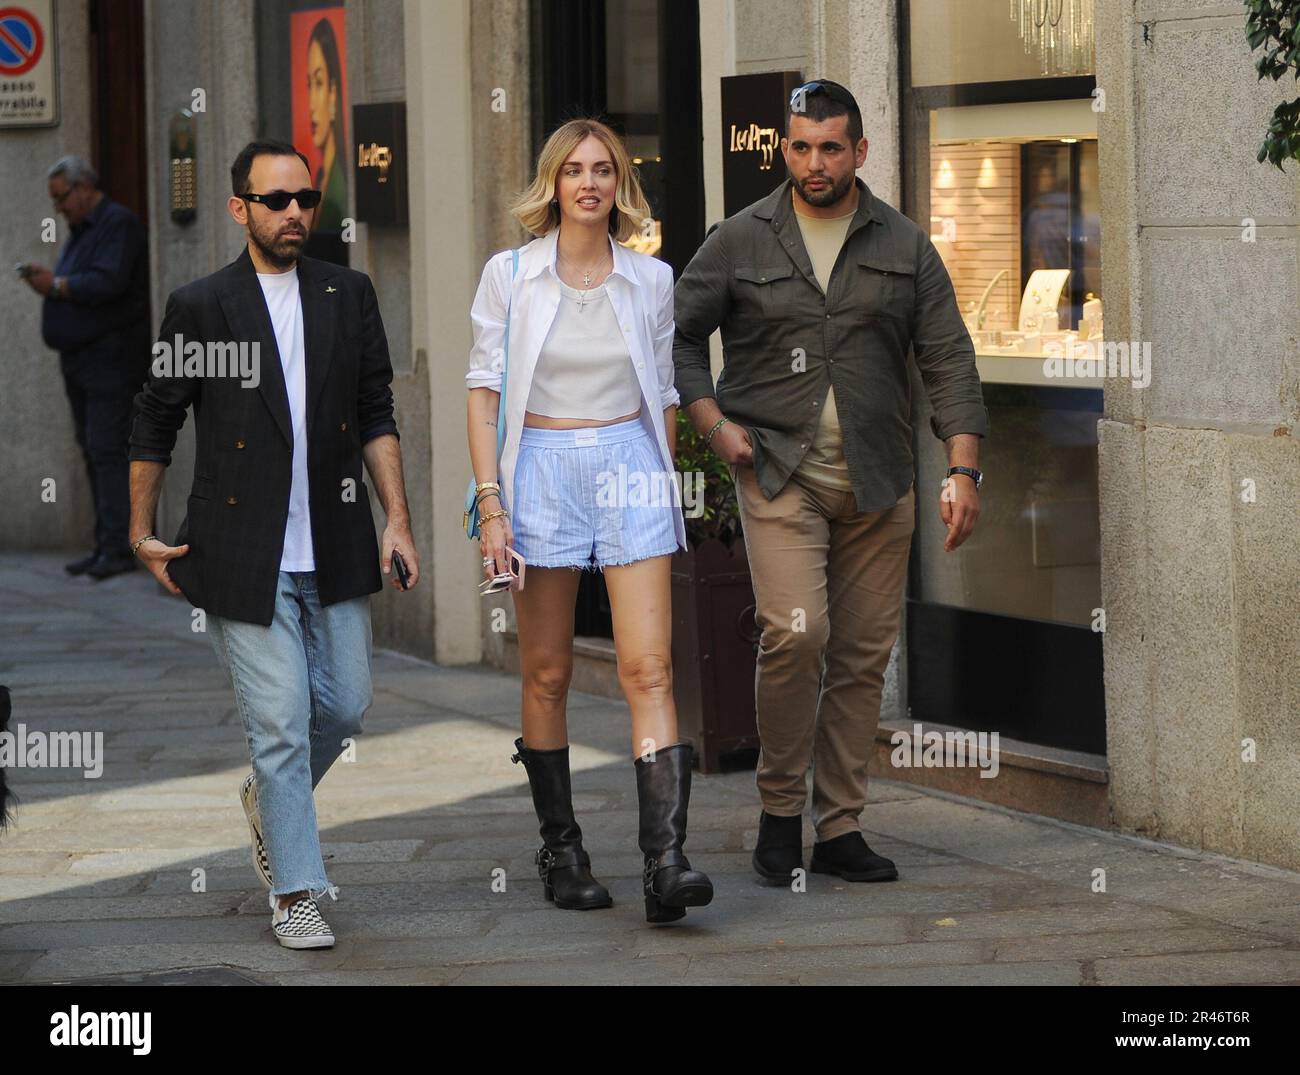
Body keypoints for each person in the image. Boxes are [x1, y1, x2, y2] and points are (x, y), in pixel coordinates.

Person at [673, 80, 988, 886]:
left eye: (832, 147)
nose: (816, 163)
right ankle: (780, 811)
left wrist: (962, 467)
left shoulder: (904, 243)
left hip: (880, 481)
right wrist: (713, 424)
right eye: (802, 146)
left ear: (860, 152)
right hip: (779, 473)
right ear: (785, 148)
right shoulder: (742, 239)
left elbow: (949, 356)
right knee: (797, 633)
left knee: (860, 656)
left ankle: (840, 824)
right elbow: (676, 336)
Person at [128, 140, 420, 949]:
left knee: (348, 704)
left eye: (305, 199)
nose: (296, 213)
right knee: (285, 724)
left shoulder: (346, 292)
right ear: (240, 210)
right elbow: (156, 415)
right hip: (237, 547)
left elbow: (375, 411)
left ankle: (268, 800)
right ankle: (295, 889)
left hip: (332, 540)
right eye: (277, 200)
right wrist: (140, 531)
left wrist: (396, 517)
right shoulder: (202, 305)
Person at [466, 118, 713, 924]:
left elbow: (664, 395)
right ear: (553, 183)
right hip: (539, 465)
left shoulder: (650, 279)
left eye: (604, 169)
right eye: (573, 170)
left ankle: (665, 862)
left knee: (651, 669)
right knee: (547, 671)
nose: (589, 183)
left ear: (619, 183)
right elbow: (483, 392)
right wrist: (491, 502)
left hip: (631, 466)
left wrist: (663, 480)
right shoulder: (511, 275)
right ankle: (562, 849)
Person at [21, 156, 149, 580]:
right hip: (81, 359)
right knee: (94, 450)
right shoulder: (80, 231)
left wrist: (55, 285)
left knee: (107, 449)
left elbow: (107, 283)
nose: (59, 208)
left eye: (62, 198)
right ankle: (105, 543)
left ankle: (118, 547)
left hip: (109, 359)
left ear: (84, 188)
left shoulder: (117, 224)